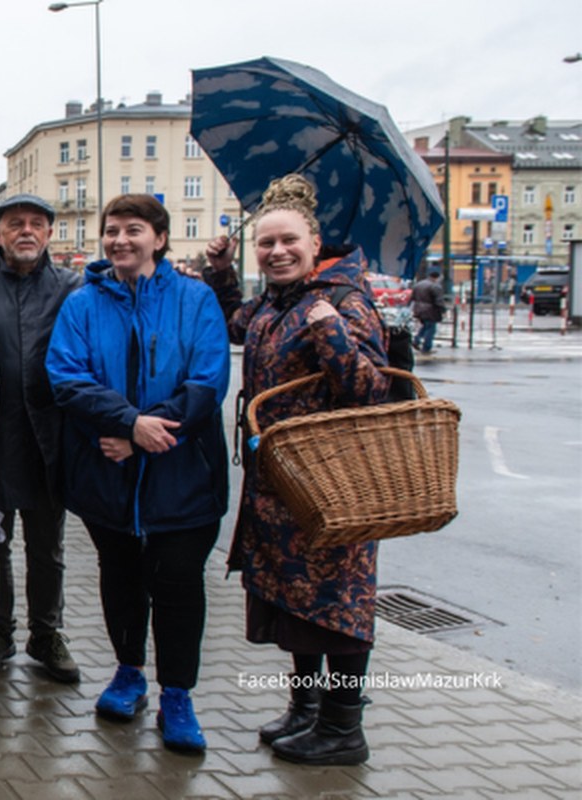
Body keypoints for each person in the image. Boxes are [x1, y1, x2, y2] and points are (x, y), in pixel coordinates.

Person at [204, 174, 390, 766]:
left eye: (288, 242)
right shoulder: (276, 303)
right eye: (266, 243)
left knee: (339, 602)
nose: (277, 252)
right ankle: (305, 710)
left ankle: (343, 729)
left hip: (335, 483)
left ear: (314, 244)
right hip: (280, 485)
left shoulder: (343, 301)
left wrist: (328, 330)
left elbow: (370, 388)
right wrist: (223, 271)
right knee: (296, 600)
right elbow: (237, 322)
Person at [46, 194, 230, 752]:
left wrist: (145, 436)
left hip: (183, 480)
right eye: (111, 230)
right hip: (108, 478)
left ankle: (178, 694)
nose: (120, 240)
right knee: (120, 579)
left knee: (177, 587)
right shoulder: (82, 304)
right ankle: (129, 673)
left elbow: (207, 383)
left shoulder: (195, 299)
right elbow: (66, 377)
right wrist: (128, 424)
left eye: (133, 230)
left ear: (160, 238)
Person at [0, 194, 83, 684]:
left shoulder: (73, 288)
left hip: (50, 439)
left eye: (36, 224)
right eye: (14, 224)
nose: (25, 231)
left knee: (47, 547)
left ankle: (46, 633)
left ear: (50, 233)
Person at [410, 267, 446, 354]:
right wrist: (443, 310)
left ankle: (416, 340)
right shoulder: (435, 286)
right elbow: (439, 301)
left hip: (418, 309)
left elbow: (413, 297)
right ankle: (426, 347)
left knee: (425, 326)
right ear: (437, 277)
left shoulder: (418, 284)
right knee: (431, 329)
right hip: (431, 311)